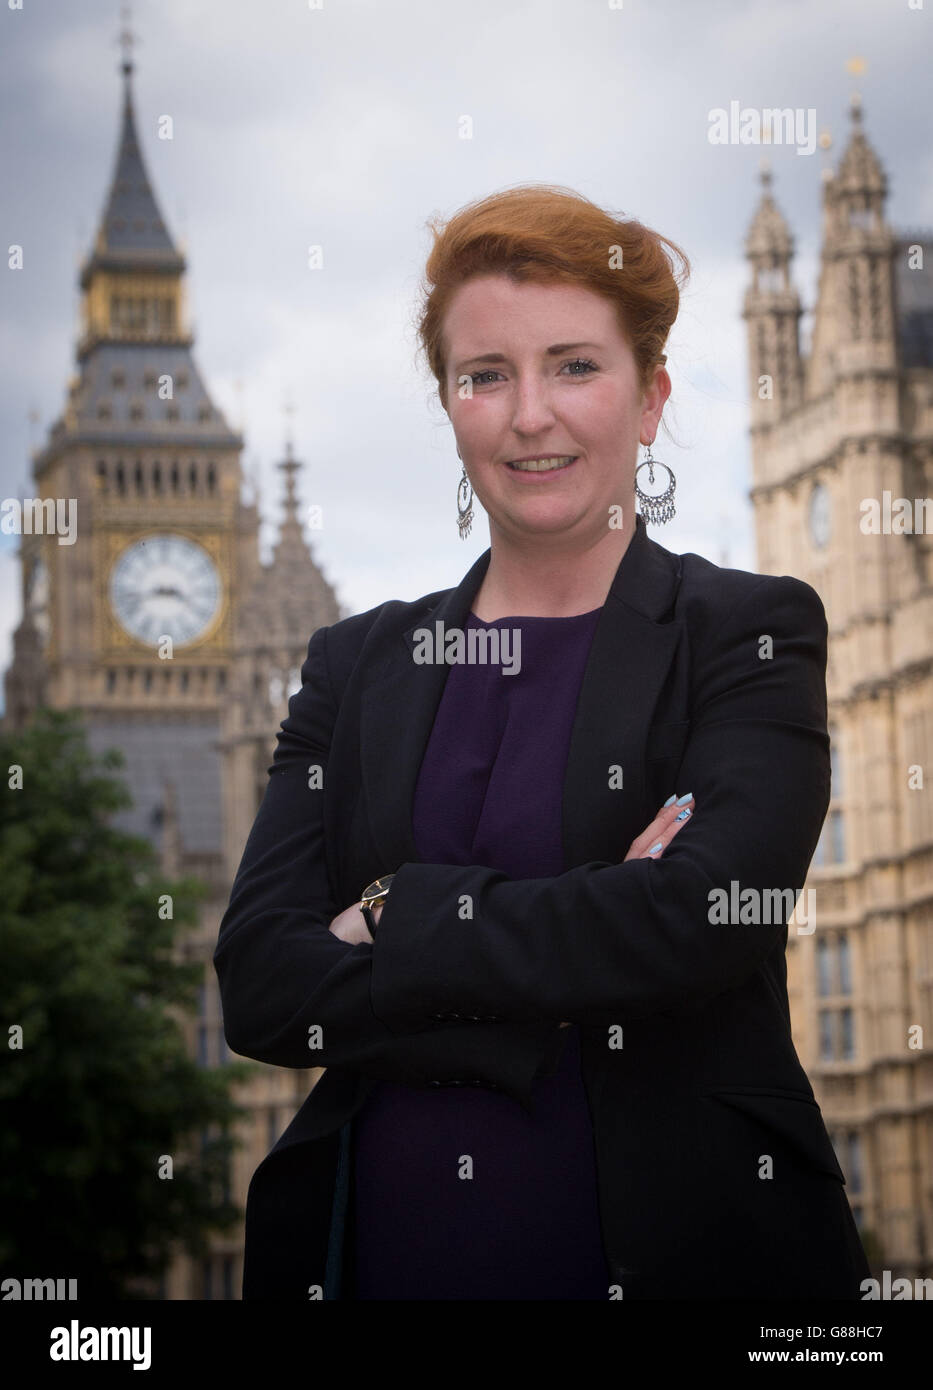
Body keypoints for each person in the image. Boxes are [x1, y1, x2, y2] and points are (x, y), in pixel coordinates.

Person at [214, 184, 871, 1300]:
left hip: (685, 1259)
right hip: (377, 1257)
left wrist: (390, 913)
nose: (530, 415)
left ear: (652, 396)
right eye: (486, 376)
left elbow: (705, 916)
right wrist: (583, 944)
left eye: (575, 365)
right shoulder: (355, 665)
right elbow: (267, 988)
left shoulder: (746, 631)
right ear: (450, 404)